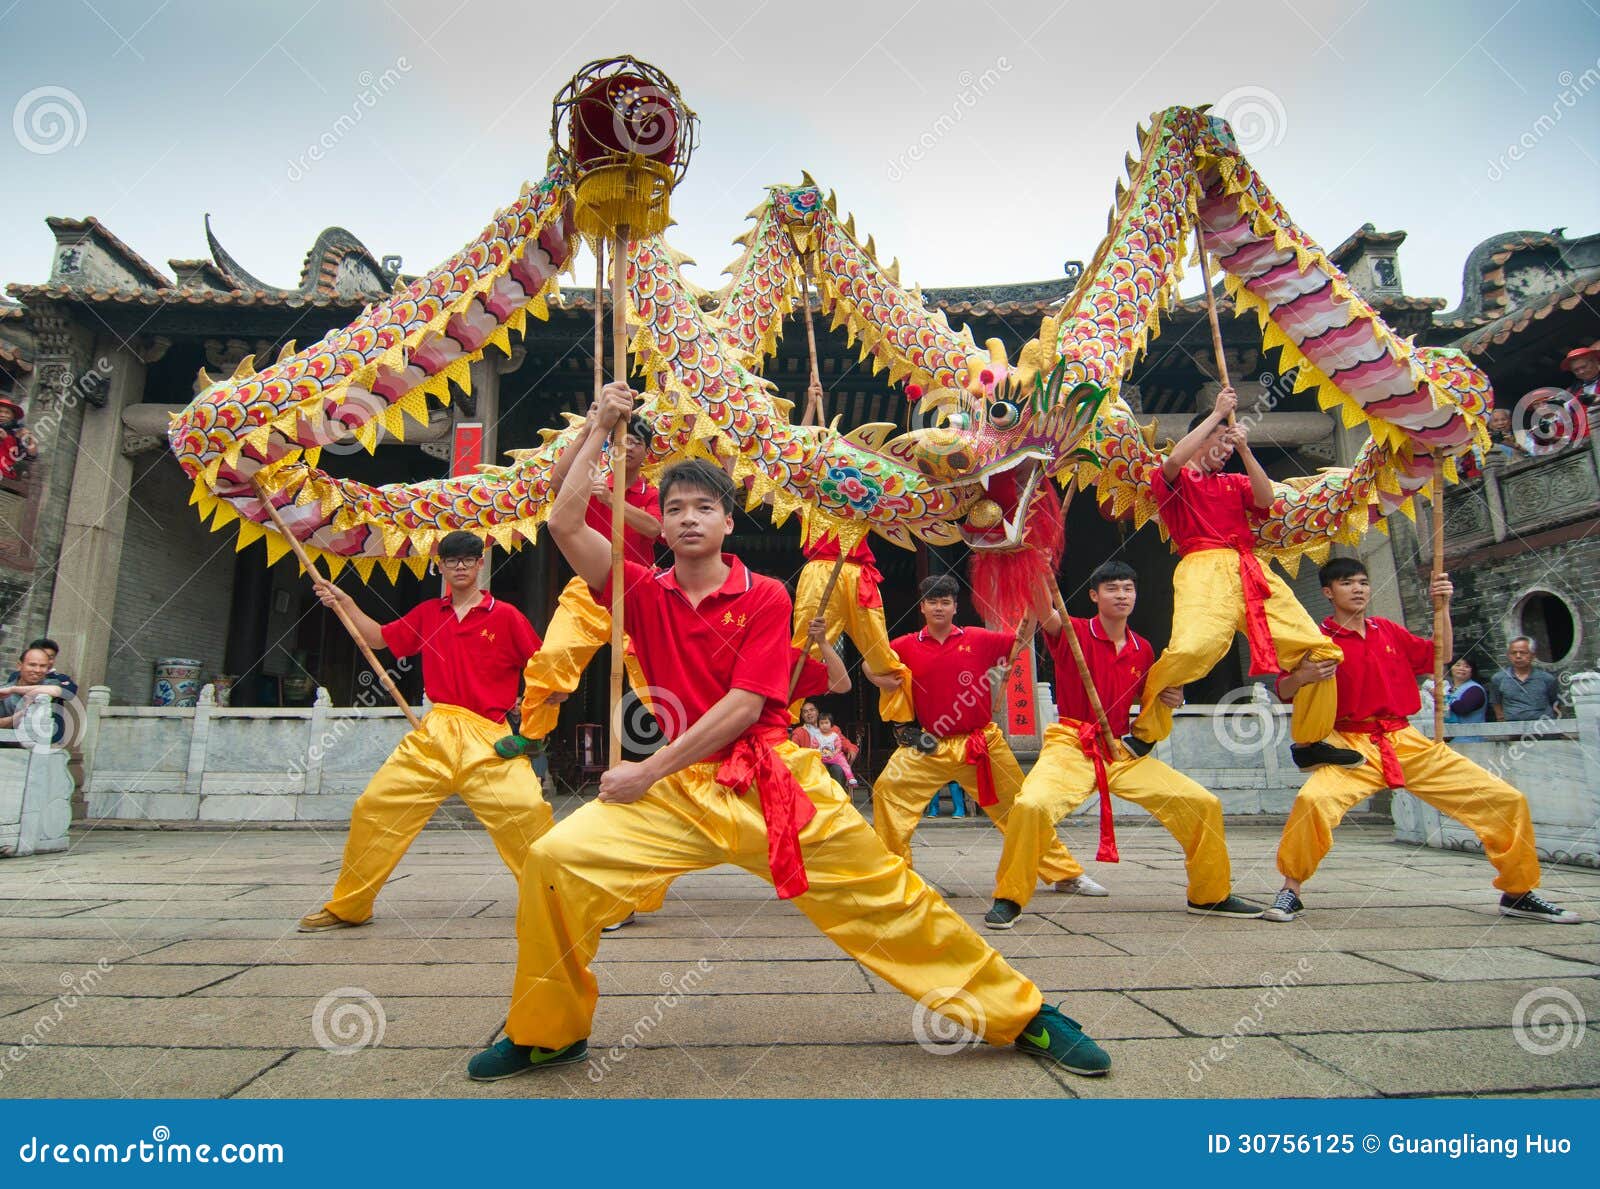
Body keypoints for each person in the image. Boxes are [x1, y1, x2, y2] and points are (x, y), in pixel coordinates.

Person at [467, 382, 1110, 1081]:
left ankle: (1022, 1012)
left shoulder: (767, 596)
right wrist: (599, 426)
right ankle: (548, 1030)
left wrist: (645, 770)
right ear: (660, 521)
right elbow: (564, 525)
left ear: (726, 521)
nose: (687, 519)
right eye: (674, 507)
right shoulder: (637, 591)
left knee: (887, 901)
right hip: (682, 789)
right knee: (554, 863)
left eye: (703, 508)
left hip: (774, 781)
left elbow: (746, 705)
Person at [1264, 557, 1578, 925]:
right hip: (1351, 745)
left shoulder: (1388, 631)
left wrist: (1441, 606)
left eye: (1363, 582)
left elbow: (1438, 656)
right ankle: (1291, 890)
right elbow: (1283, 690)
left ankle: (1518, 891)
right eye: (1348, 583)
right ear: (1327, 592)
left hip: (1406, 739)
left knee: (1505, 800)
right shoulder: (1316, 640)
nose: (1359, 589)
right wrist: (1303, 675)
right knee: (1313, 801)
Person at [296, 531, 551, 932]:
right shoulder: (429, 613)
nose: (461, 566)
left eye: (469, 559)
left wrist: (535, 722)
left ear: (480, 564)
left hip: (489, 735)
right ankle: (350, 905)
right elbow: (379, 638)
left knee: (528, 812)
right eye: (452, 560)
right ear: (440, 567)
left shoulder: (506, 616)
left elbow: (543, 673)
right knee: (375, 807)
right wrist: (345, 603)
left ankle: (555, 904)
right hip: (435, 730)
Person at [986, 561, 1264, 928]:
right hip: (1072, 744)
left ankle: (1210, 894)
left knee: (1202, 803)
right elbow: (1043, 608)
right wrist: (1035, 561)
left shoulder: (1143, 649)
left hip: (1121, 751)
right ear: (1094, 595)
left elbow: (1151, 700)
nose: (1121, 595)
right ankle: (1009, 897)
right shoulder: (1073, 632)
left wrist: (1171, 697)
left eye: (1128, 589)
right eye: (1112, 588)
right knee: (1031, 805)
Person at [1122, 387, 1359, 773]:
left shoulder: (1235, 483)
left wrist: (1247, 450)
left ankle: (1311, 741)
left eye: (1230, 442)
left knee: (1321, 651)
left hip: (1250, 569)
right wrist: (1217, 414)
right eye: (1221, 440)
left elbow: (1266, 500)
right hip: (1202, 568)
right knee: (1190, 652)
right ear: (1202, 436)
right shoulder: (1177, 479)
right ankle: (1146, 730)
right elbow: (1175, 459)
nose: (1227, 447)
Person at [866, 574, 1104, 895]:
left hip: (981, 743)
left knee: (1022, 808)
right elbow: (872, 664)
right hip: (928, 745)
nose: (939, 607)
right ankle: (894, 874)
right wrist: (881, 680)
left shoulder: (978, 639)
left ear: (954, 607)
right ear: (922, 607)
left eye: (945, 602)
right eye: (933, 602)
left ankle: (1064, 874)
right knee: (887, 791)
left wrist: (1034, 605)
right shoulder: (905, 645)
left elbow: (1019, 640)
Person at [498, 413, 663, 752]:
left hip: (637, 591)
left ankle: (686, 743)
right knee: (553, 655)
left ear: (648, 452)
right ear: (611, 448)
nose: (629, 447)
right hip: (588, 586)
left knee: (657, 672)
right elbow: (558, 483)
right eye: (622, 441)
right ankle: (532, 733)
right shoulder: (594, 479)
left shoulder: (653, 492)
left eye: (636, 442)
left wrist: (611, 501)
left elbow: (656, 529)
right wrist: (589, 430)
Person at [0, 646, 76, 747]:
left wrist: (13, 689)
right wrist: (18, 717)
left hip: (43, 749)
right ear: (19, 665)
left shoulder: (52, 683)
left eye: (43, 666)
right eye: (32, 665)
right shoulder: (3, 692)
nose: (37, 670)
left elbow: (57, 691)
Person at [1489, 637, 1564, 723]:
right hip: (1514, 729)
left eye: (1523, 652)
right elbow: (1495, 702)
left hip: (1542, 728)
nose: (1518, 656)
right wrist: (1502, 721)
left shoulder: (1547, 678)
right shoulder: (1498, 678)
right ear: (1508, 656)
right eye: (1513, 653)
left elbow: (1556, 703)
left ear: (1533, 655)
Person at [1443, 655, 1488, 743]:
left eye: (1466, 666)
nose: (1461, 668)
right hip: (1451, 742)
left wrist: (1442, 697)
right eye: (1457, 665)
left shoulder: (1475, 689)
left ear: (1472, 671)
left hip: (1470, 742)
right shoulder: (1448, 689)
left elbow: (1463, 708)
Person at [814, 711, 859, 788]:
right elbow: (813, 747)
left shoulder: (834, 733)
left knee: (839, 768)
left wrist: (850, 748)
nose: (824, 725)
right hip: (820, 758)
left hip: (834, 757)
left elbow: (840, 744)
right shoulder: (806, 732)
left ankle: (849, 779)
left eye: (826, 723)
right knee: (818, 768)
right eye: (822, 723)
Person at [0, 399, 38, 482]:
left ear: (13, 416)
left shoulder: (17, 434)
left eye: (7, 413)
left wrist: (30, 439)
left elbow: (30, 457)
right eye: (0, 411)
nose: (2, 415)